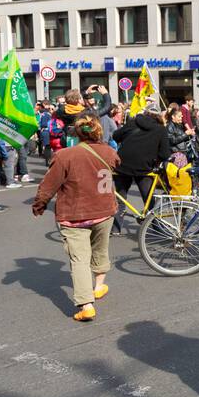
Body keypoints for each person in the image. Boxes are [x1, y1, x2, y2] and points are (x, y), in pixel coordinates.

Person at [31, 114, 119, 322]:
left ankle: (86, 304)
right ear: (99, 131)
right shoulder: (109, 152)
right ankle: (99, 287)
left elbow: (49, 184)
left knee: (79, 259)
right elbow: (116, 166)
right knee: (100, 249)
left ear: (76, 133)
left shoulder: (65, 155)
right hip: (104, 210)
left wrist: (40, 204)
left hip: (74, 214)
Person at [111, 108, 172, 234]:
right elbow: (165, 153)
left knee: (120, 198)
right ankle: (156, 227)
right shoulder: (160, 129)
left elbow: (115, 136)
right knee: (149, 200)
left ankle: (116, 228)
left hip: (123, 164)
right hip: (144, 167)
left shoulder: (133, 122)